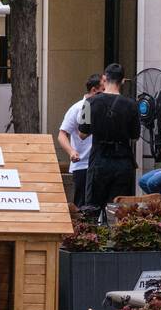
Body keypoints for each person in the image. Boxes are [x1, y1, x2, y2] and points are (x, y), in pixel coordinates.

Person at [78, 63, 140, 216]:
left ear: (104, 78)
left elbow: (82, 133)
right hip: (123, 162)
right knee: (122, 211)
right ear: (123, 81)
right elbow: (135, 135)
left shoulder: (89, 103)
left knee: (92, 208)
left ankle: (93, 238)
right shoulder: (132, 105)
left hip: (99, 160)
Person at [58, 74, 102, 207]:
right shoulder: (79, 108)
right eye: (104, 90)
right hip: (82, 163)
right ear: (94, 90)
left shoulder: (104, 107)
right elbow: (62, 134)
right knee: (81, 204)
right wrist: (71, 151)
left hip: (100, 162)